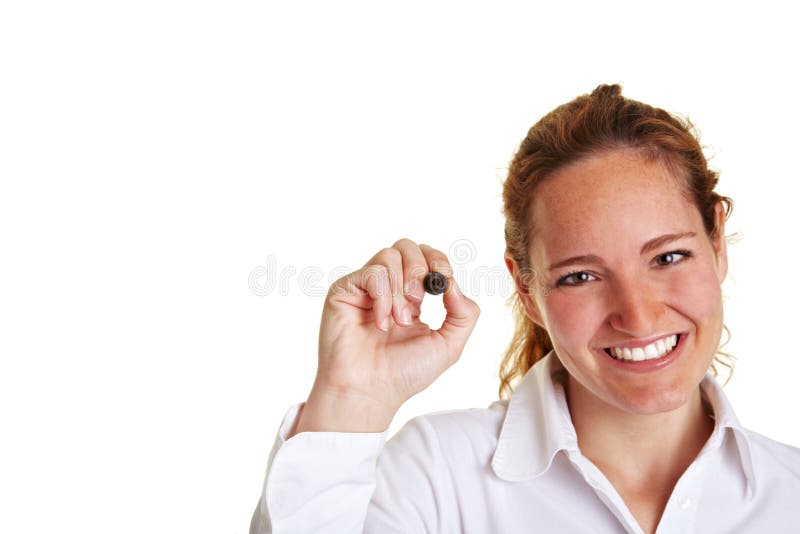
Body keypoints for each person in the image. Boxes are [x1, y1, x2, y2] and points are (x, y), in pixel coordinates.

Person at [249, 85, 800, 534]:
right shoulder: (436, 477)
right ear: (528, 290)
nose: (637, 316)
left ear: (718, 244)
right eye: (580, 276)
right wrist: (350, 400)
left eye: (669, 256)